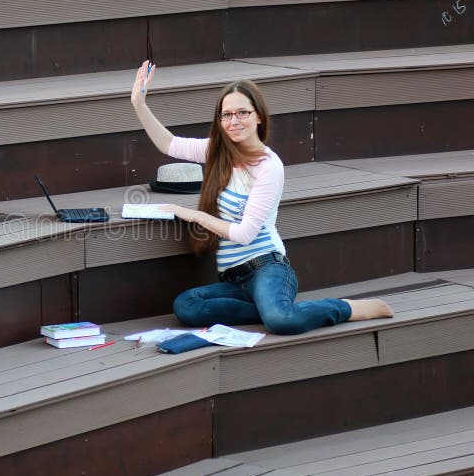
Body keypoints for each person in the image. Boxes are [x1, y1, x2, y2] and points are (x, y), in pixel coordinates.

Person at [130, 61, 394, 335]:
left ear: (259, 117)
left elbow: (244, 234)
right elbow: (168, 144)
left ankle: (345, 308)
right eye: (226, 115)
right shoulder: (218, 152)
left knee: (281, 322)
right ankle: (270, 308)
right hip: (234, 280)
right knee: (186, 306)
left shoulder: (268, 166)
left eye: (242, 112)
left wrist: (193, 214)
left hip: (268, 268)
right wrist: (139, 103)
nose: (234, 121)